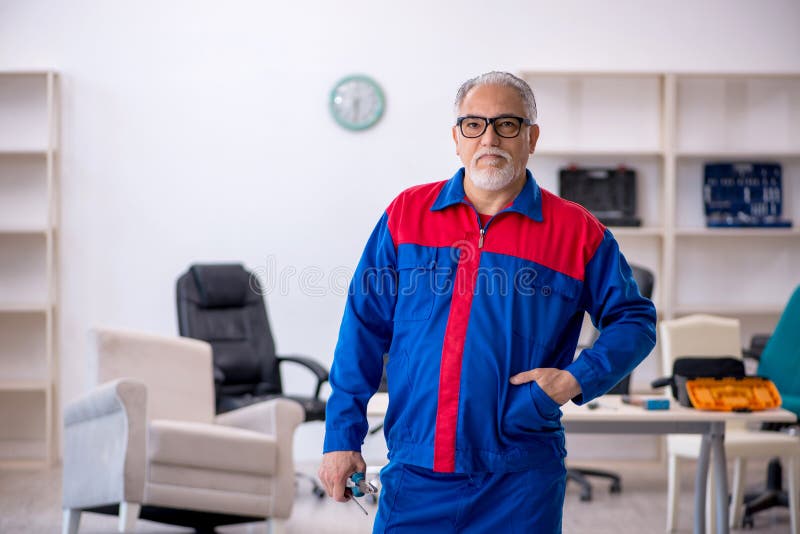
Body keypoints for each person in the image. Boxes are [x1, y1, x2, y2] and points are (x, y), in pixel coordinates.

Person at [318, 71, 657, 533]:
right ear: (456, 138)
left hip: (520, 475)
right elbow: (362, 328)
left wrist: (573, 380)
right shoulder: (406, 215)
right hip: (418, 468)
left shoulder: (576, 232)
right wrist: (341, 437)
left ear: (531, 137)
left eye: (507, 124)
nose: (489, 138)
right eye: (473, 124)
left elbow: (633, 320)